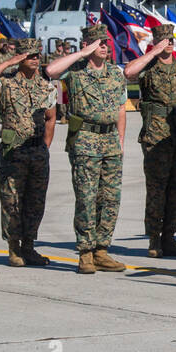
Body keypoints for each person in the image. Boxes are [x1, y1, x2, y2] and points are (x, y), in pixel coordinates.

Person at [46, 25, 128, 274]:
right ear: (88, 45)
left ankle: (102, 249)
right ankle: (85, 252)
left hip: (111, 141)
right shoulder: (76, 72)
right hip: (85, 140)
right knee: (86, 198)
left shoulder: (115, 73)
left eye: (106, 43)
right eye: (99, 43)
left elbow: (121, 108)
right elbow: (51, 71)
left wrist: (121, 142)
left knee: (110, 199)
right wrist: (82, 54)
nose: (104, 47)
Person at [125, 24, 176, 258]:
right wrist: (153, 52)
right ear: (156, 42)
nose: (168, 43)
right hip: (156, 135)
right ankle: (154, 239)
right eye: (164, 40)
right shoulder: (148, 66)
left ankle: (170, 237)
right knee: (157, 188)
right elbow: (129, 73)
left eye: (171, 40)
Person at [0, 37, 57, 267]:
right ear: (20, 58)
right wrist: (9, 62)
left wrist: (44, 147)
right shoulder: (5, 83)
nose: (35, 60)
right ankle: (14, 248)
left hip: (37, 152)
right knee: (12, 202)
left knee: (35, 202)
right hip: (13, 152)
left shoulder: (46, 85)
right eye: (29, 56)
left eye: (37, 55)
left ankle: (29, 246)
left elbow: (51, 116)